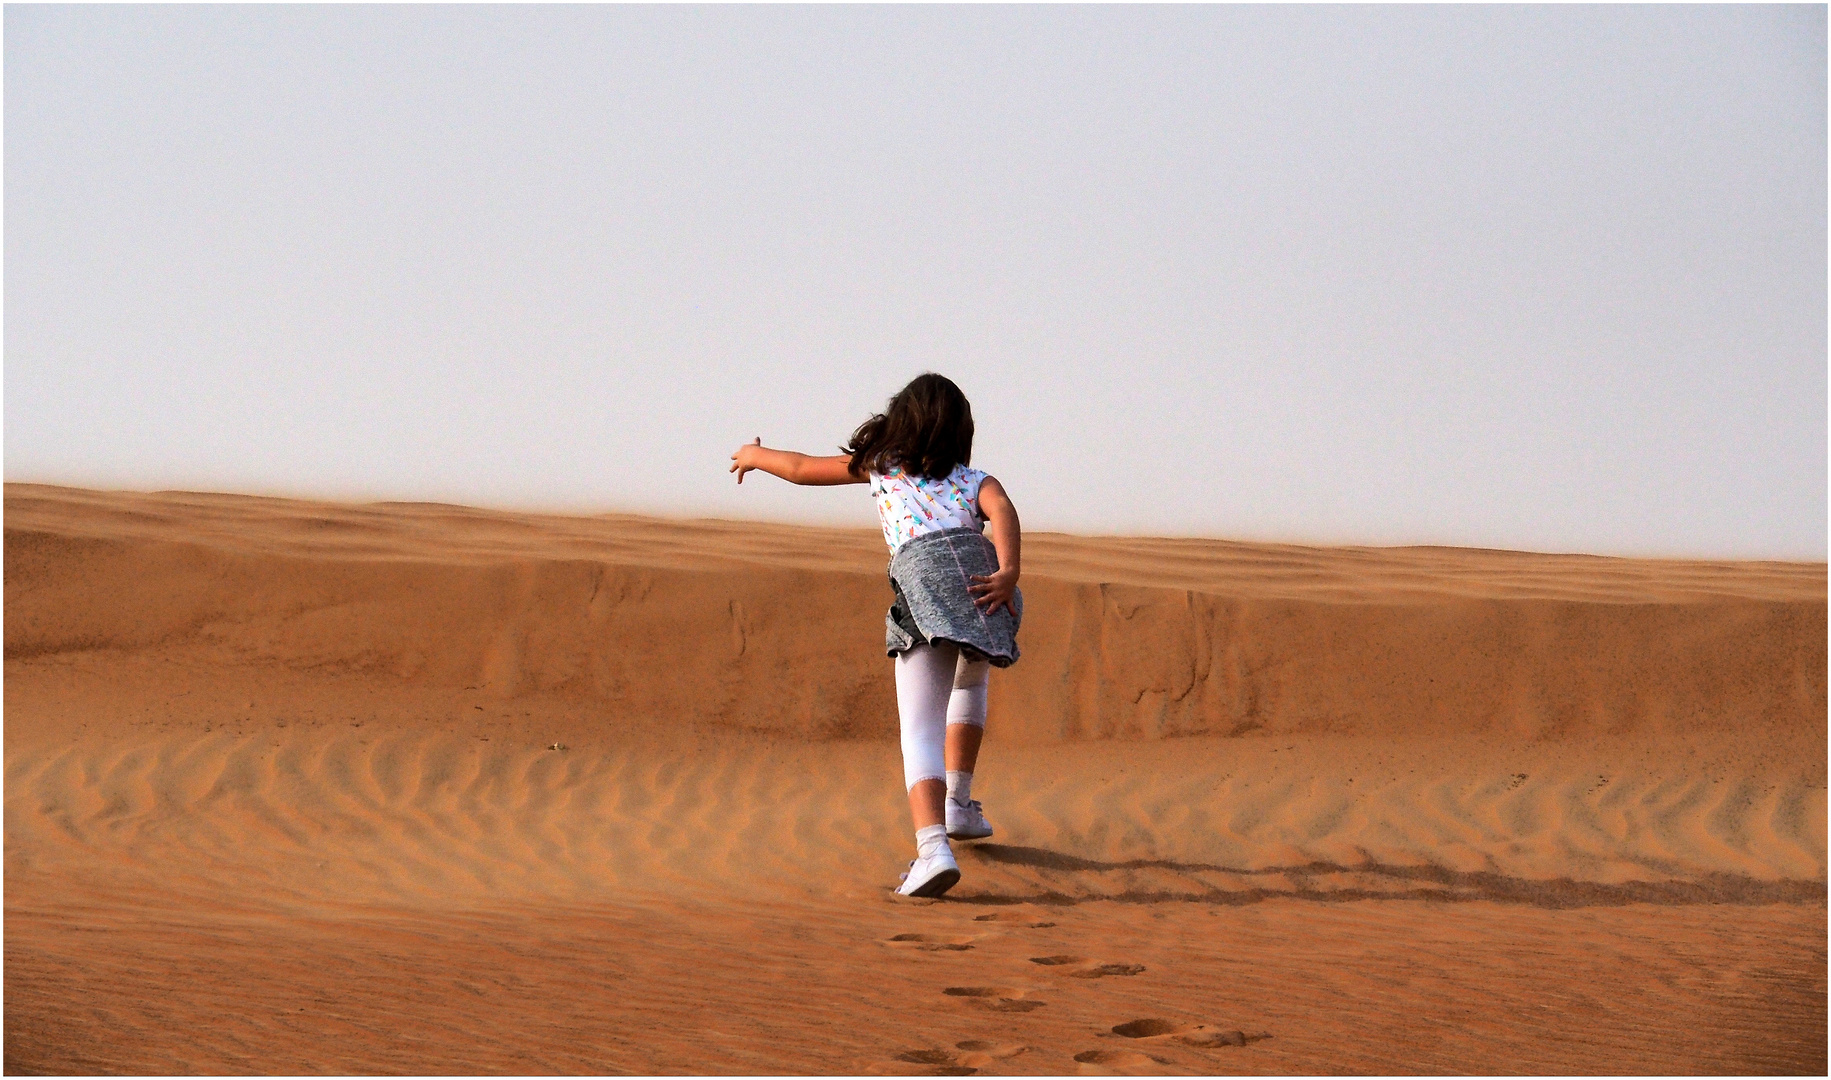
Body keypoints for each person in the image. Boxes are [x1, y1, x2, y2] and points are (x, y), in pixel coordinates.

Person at [728, 373, 1022, 898]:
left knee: (920, 728)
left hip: (926, 596)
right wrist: (1009, 571)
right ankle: (959, 801)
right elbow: (1003, 511)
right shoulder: (977, 480)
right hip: (978, 590)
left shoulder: (882, 467)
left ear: (904, 423)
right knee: (970, 684)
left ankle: (933, 848)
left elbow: (798, 469)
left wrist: (754, 454)